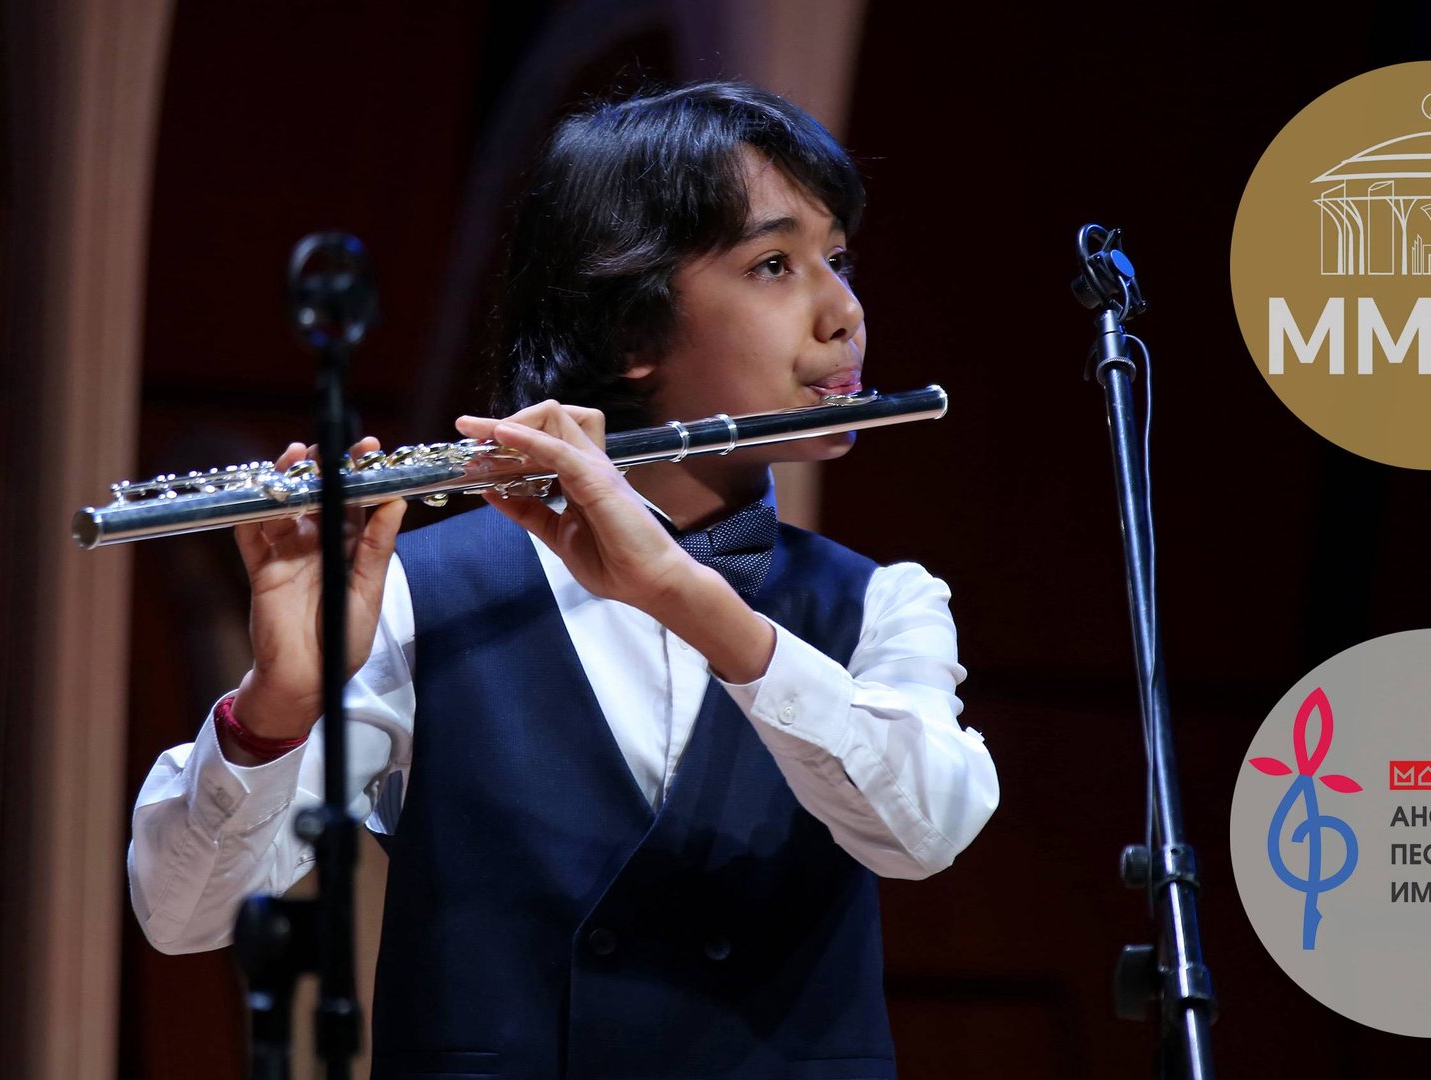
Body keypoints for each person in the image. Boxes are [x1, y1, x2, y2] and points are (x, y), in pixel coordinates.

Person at [129, 81, 999, 1079]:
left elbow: (925, 830)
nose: (845, 314)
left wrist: (687, 598)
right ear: (631, 332)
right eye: (774, 264)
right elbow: (183, 915)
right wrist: (275, 707)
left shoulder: (886, 603)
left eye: (836, 261)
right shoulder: (418, 596)